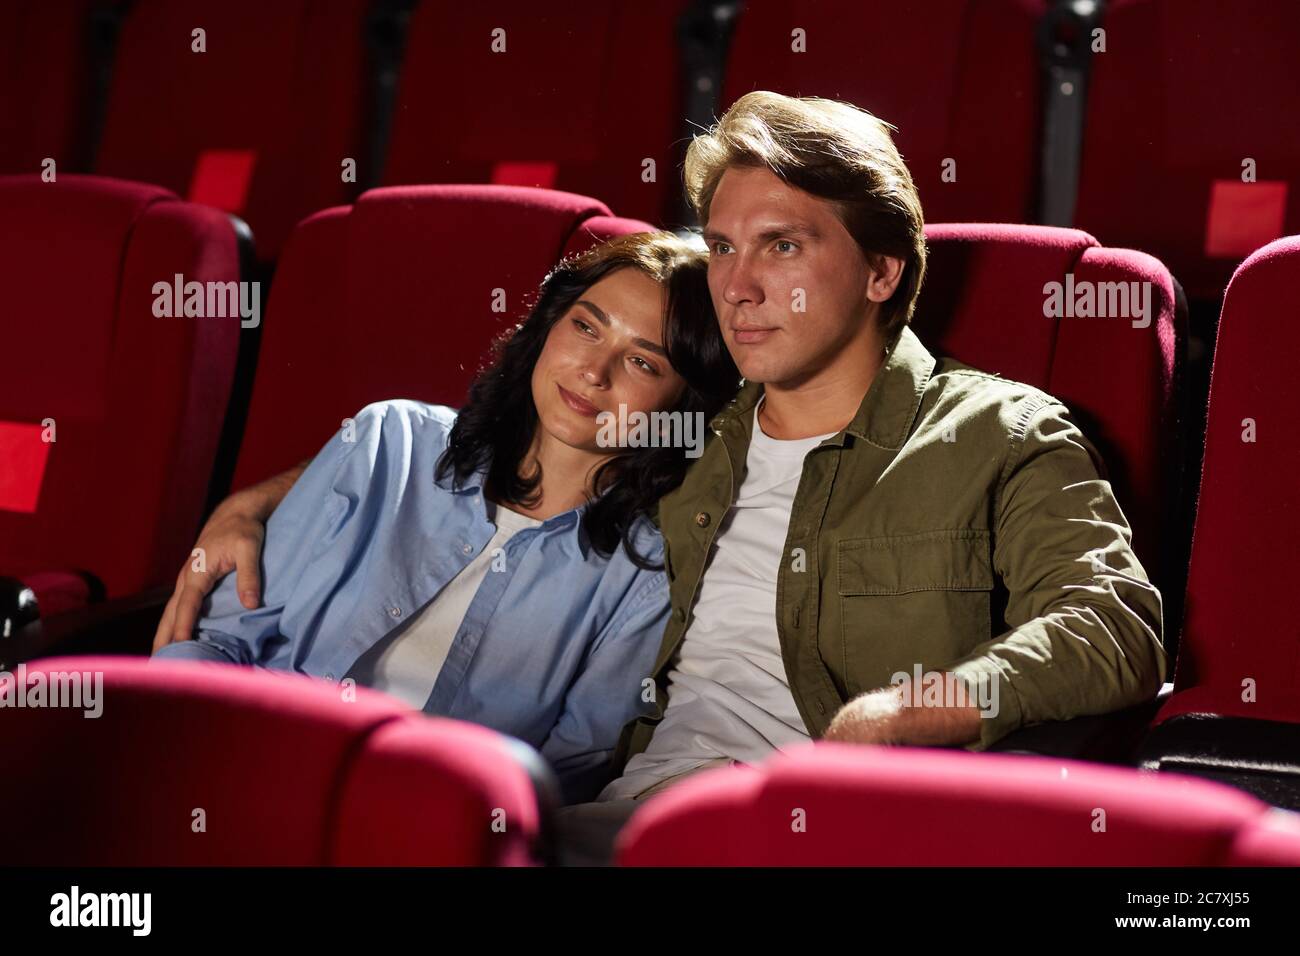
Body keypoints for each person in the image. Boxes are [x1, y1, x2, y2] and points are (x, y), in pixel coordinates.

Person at [160, 92, 1168, 865]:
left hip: (820, 830)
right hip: (615, 824)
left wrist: (902, 710)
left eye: (783, 245)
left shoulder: (997, 429)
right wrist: (255, 502)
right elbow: (480, 445)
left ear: (881, 271)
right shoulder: (687, 431)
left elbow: (1114, 624)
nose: (736, 283)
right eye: (725, 247)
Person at [152, 231, 740, 805]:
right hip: (246, 764)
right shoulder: (386, 442)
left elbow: (566, 774)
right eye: (586, 326)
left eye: (642, 362)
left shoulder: (647, 571)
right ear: (548, 327)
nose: (594, 371)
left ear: (681, 403)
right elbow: (224, 642)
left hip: (419, 824)